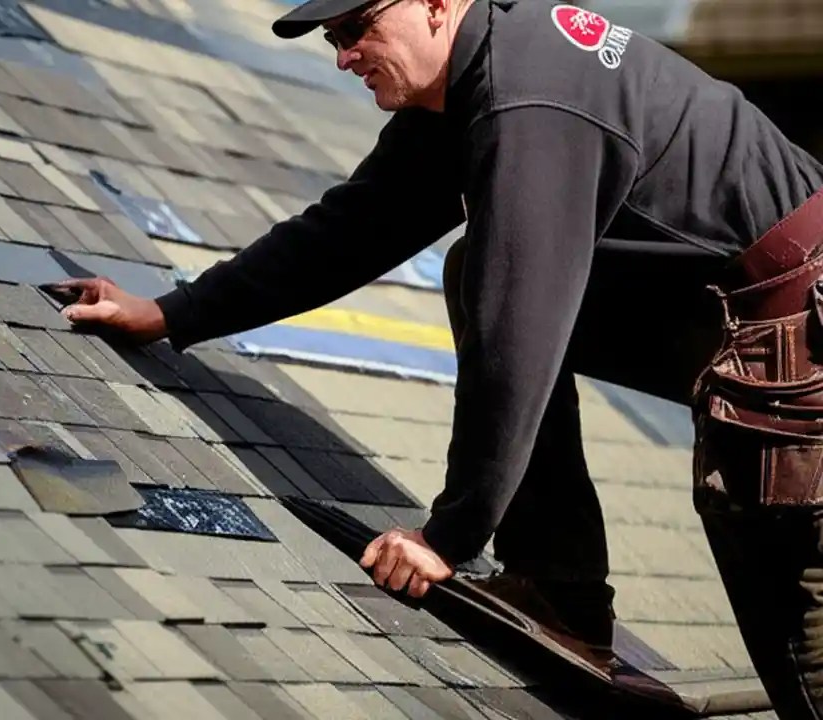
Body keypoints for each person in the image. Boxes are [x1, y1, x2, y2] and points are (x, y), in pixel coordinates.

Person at [51, 0, 823, 714]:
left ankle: (563, 589)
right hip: (752, 317)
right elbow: (352, 230)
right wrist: (170, 313)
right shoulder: (476, 76)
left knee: (799, 641)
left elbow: (517, 328)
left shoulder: (528, 101)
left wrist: (449, 536)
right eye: (332, 38)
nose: (346, 55)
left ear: (436, 2)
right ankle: (561, 589)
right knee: (475, 269)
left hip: (799, 352)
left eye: (359, 27)